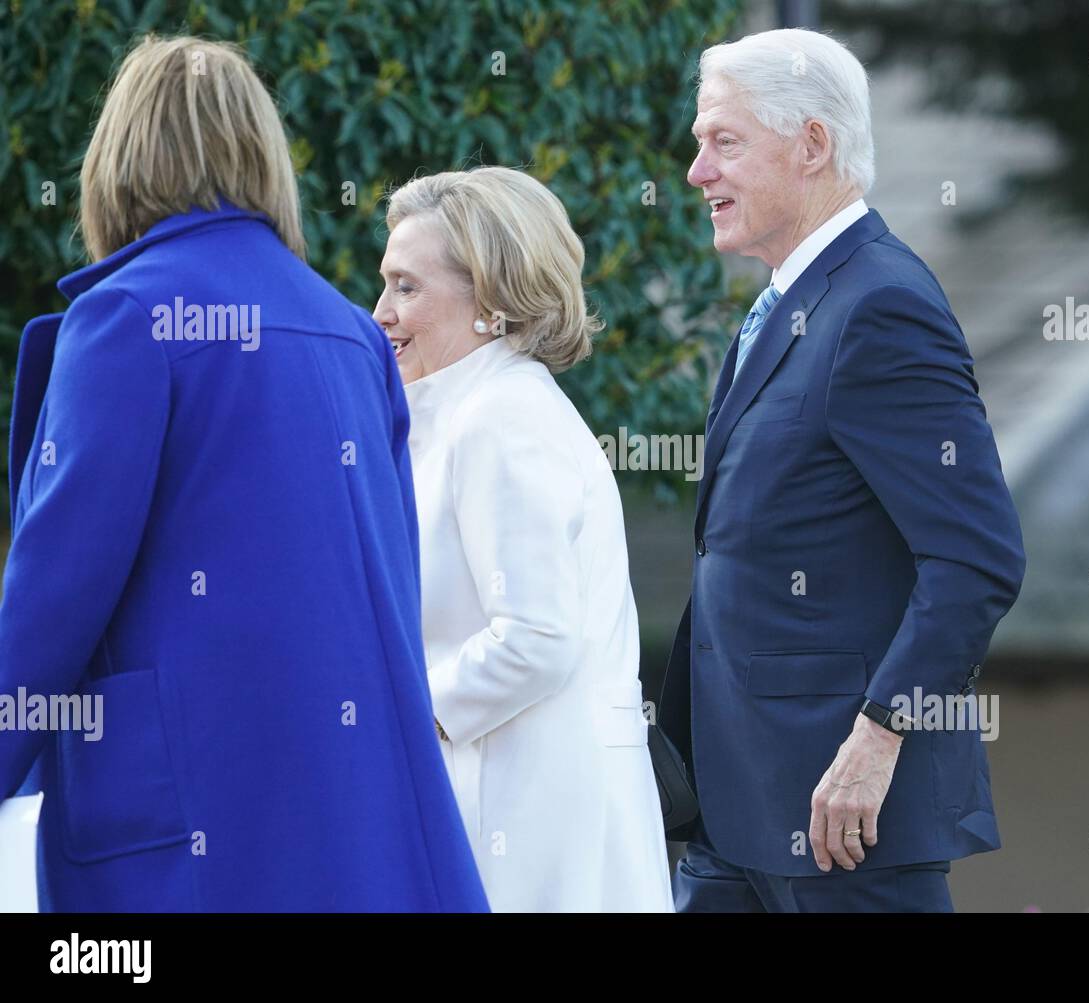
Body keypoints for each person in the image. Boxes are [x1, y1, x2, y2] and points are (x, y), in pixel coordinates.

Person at [0, 35, 488, 912]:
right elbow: (388, 589)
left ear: (118, 159)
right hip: (350, 822)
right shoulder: (349, 333)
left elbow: (52, 601)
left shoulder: (124, 316)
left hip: (179, 830)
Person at [659, 28, 1026, 912]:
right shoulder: (786, 299)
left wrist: (879, 736)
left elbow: (976, 556)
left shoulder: (883, 303)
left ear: (812, 143)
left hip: (841, 822)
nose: (696, 173)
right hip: (731, 807)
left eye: (724, 142)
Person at [372, 166, 674, 912]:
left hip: (533, 817)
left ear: (492, 300)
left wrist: (399, 718)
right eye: (386, 283)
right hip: (515, 800)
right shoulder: (479, 408)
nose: (380, 310)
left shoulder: (499, 418)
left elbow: (537, 637)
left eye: (407, 286)